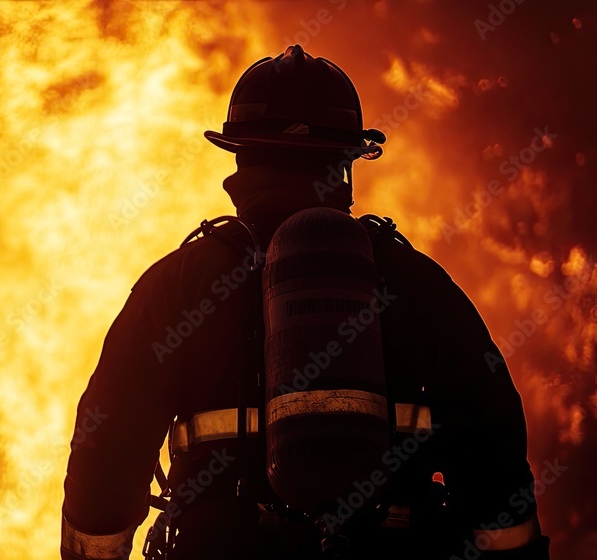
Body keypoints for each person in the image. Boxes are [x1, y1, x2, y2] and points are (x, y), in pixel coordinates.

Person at [61, 45, 549, 560]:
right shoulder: (417, 282)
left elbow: (107, 443)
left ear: (241, 158)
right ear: (347, 162)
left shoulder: (178, 286)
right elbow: (492, 444)